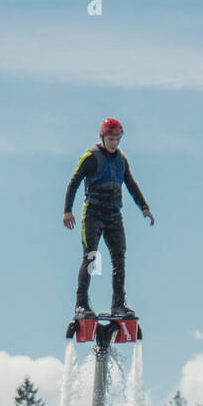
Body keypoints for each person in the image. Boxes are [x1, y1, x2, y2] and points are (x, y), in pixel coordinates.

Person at [63, 117, 154, 318]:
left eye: (117, 139)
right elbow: (74, 183)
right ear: (102, 137)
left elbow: (131, 184)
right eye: (110, 139)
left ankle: (118, 304)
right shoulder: (91, 157)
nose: (114, 143)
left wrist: (144, 207)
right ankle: (81, 304)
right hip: (93, 214)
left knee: (119, 259)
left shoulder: (122, 160)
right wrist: (67, 210)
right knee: (90, 257)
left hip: (114, 215)